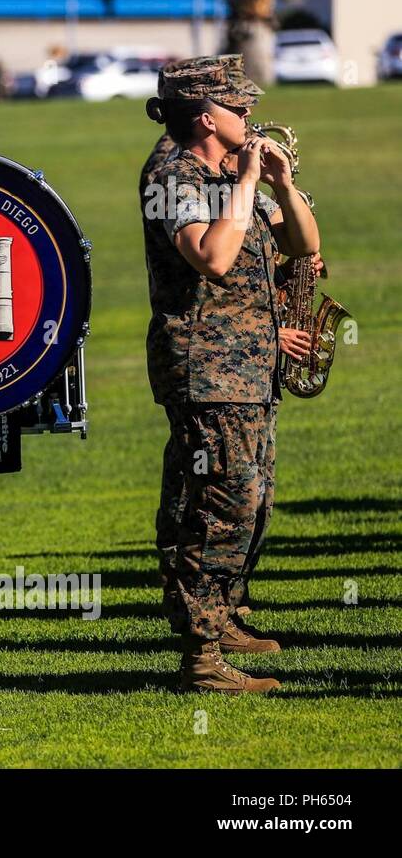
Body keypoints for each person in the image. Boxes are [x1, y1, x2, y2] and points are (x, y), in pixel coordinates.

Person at [142, 55, 320, 693]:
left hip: (249, 366)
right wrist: (247, 181)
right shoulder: (172, 176)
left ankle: (224, 615)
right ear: (202, 116)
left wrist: (282, 185)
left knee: (251, 498)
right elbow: (214, 257)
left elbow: (302, 244)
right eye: (236, 107)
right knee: (216, 504)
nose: (249, 115)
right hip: (206, 367)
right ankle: (202, 654)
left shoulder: (225, 172)